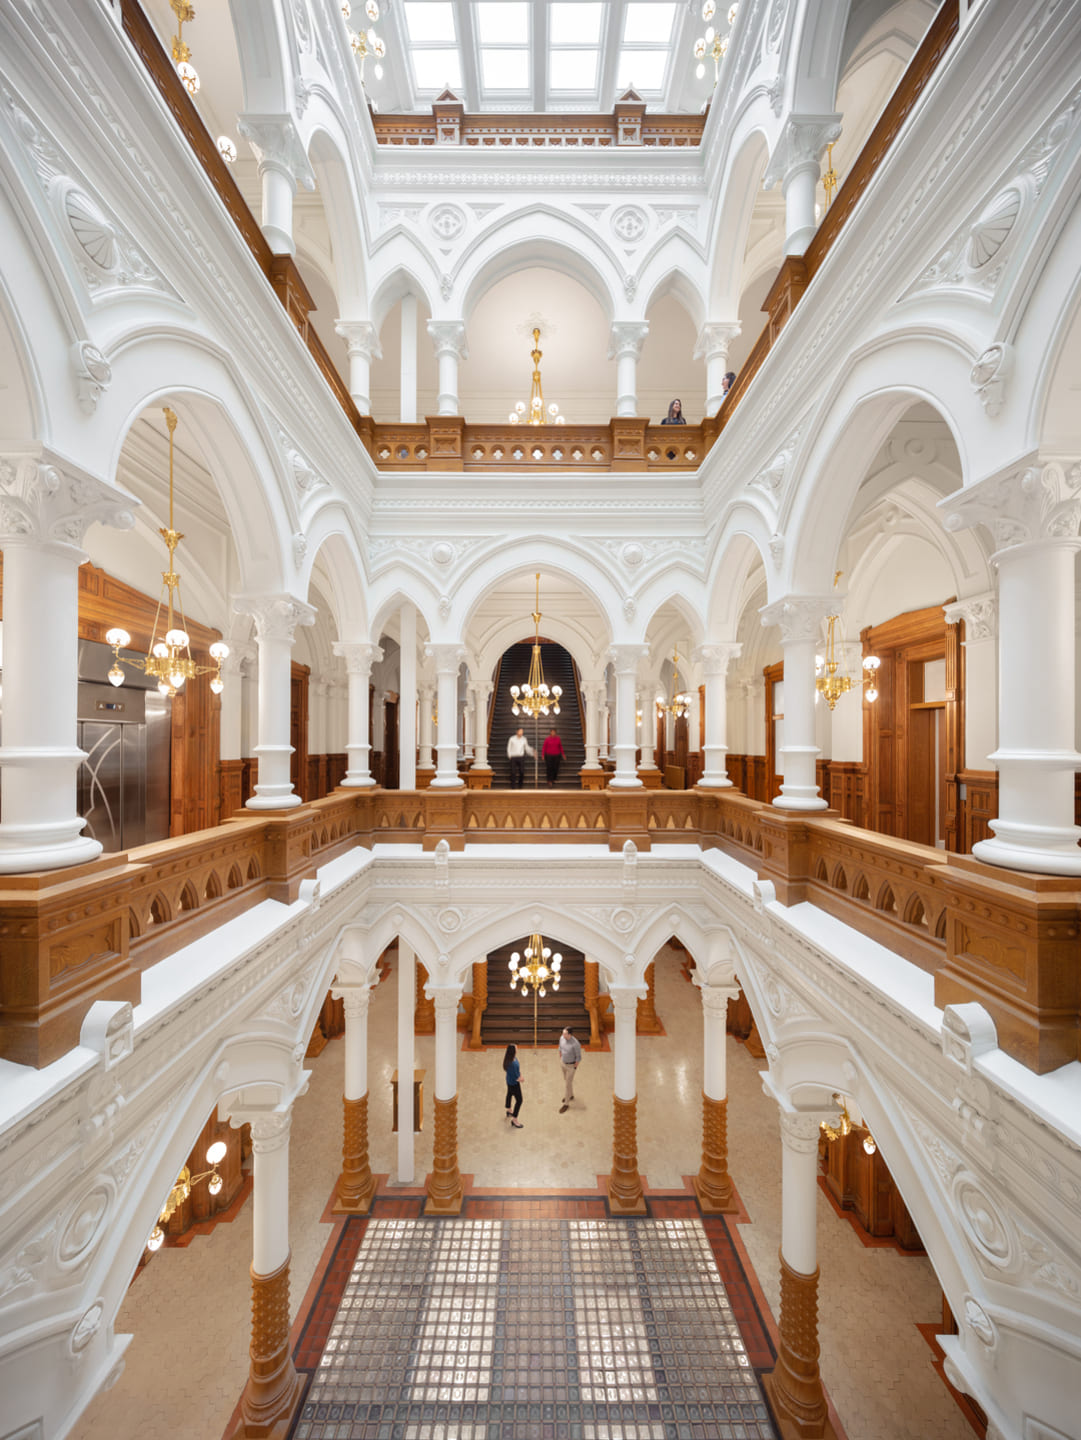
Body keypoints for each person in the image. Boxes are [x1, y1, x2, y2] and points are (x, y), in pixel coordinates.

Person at [558, 1026, 582, 1112]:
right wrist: (561, 1058)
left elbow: (578, 1057)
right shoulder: (561, 1038)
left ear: (569, 1034)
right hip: (563, 1063)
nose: (562, 1035)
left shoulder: (575, 1044)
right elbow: (560, 1048)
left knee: (567, 1084)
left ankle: (566, 1104)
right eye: (563, 1033)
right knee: (567, 1081)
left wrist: (574, 1067)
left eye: (564, 1033)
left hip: (571, 1066)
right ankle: (571, 1095)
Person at [503, 1043, 523, 1127]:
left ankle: (509, 1110)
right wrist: (521, 1078)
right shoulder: (513, 1064)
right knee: (519, 1100)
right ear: (513, 1051)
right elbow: (517, 1077)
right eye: (516, 1048)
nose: (517, 1048)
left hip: (509, 1081)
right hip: (514, 1084)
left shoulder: (509, 1058)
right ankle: (515, 1119)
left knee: (509, 1093)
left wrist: (519, 1074)